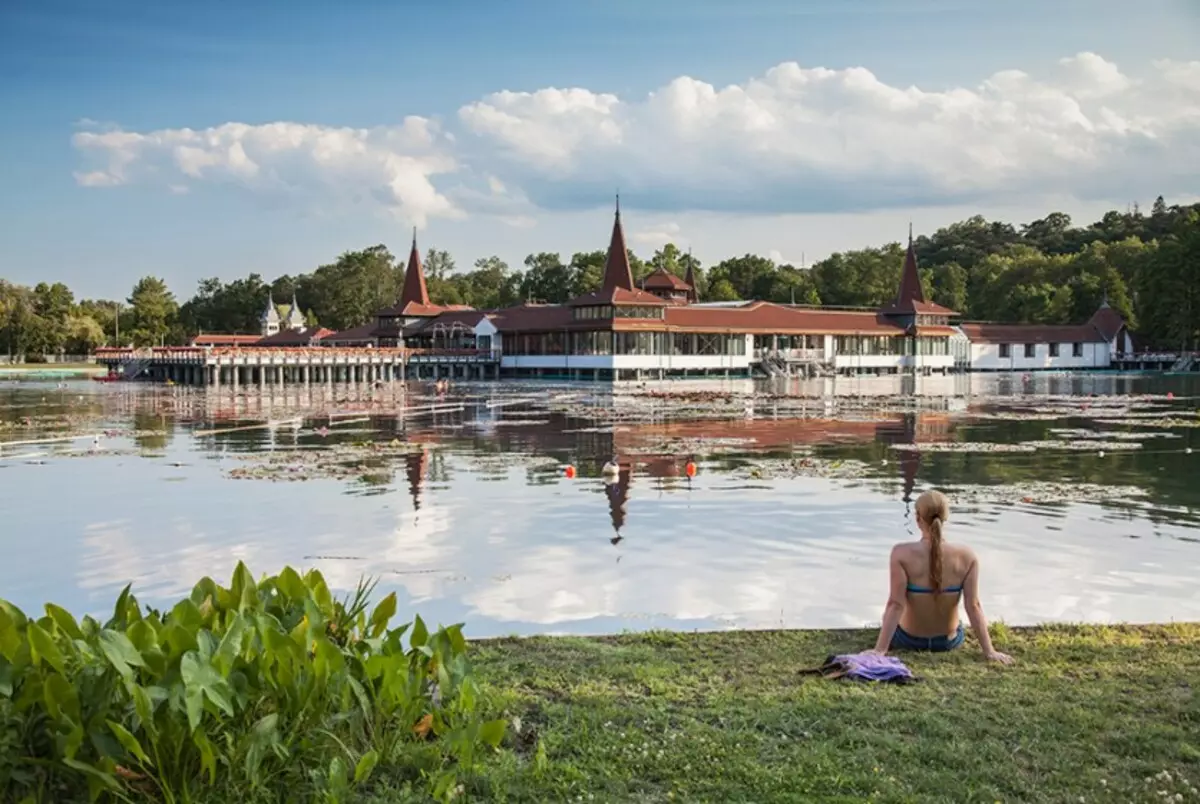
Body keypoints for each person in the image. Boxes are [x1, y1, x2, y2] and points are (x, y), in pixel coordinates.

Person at [871, 490, 1013, 663]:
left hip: (908, 640)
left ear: (917, 518)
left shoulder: (901, 553)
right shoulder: (967, 556)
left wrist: (880, 650)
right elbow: (973, 606)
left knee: (888, 616)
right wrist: (989, 651)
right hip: (947, 642)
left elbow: (895, 604)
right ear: (946, 518)